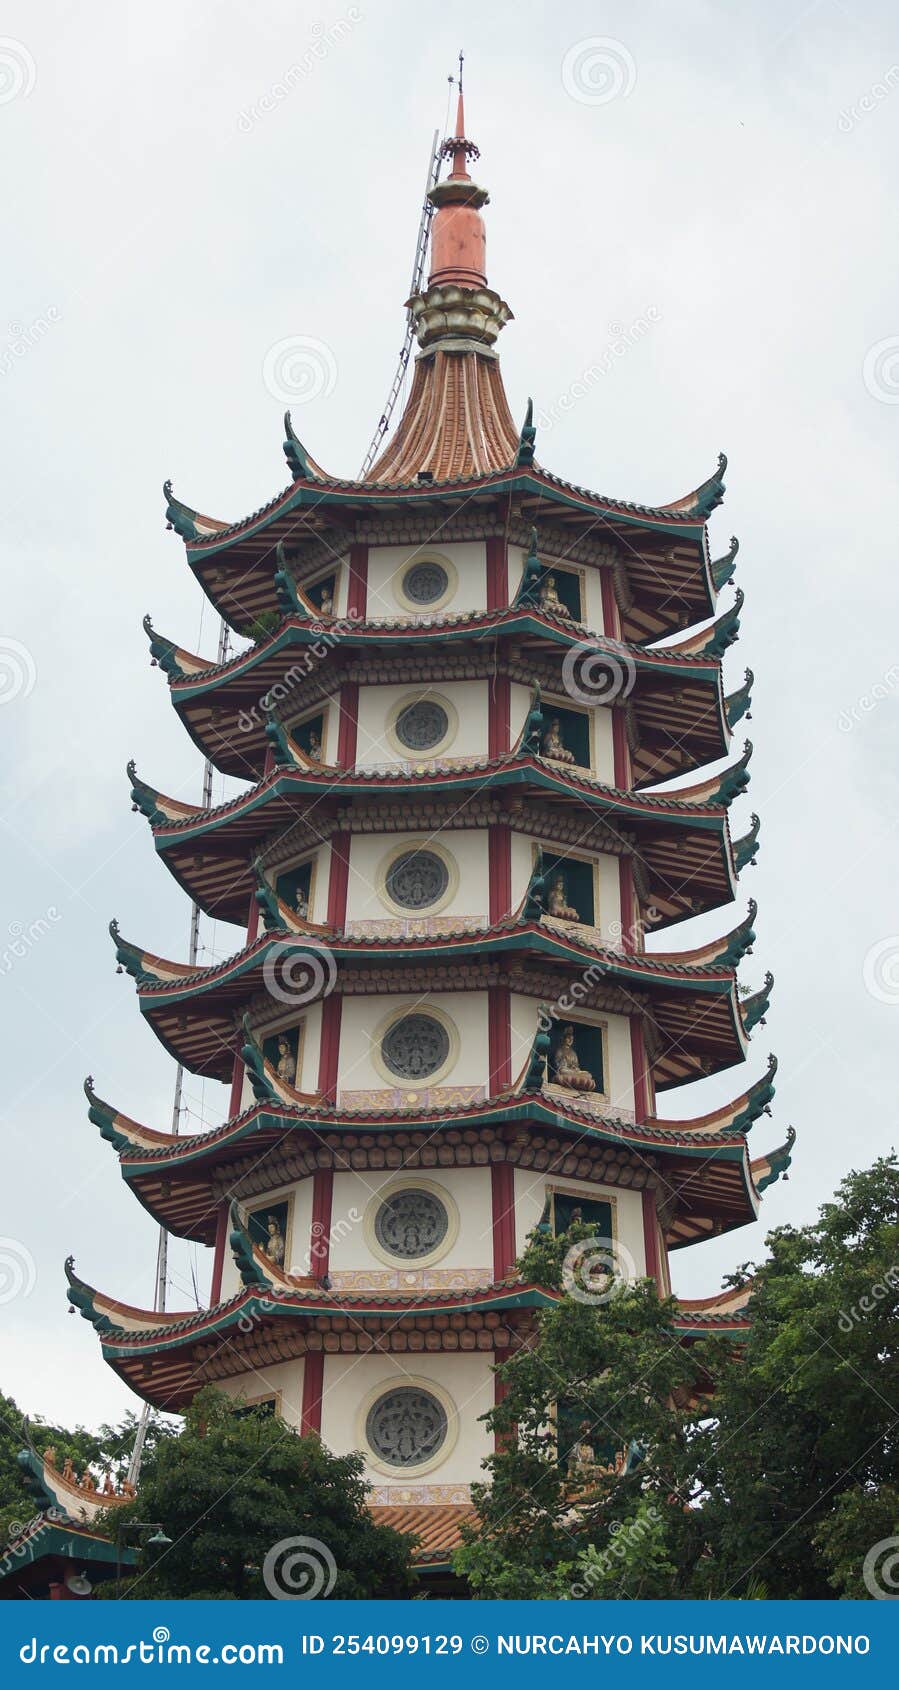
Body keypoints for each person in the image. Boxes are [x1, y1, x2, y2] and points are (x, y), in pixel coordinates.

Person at [553, 1026, 595, 1092]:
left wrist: (575, 1069)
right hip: (564, 1070)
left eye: (572, 1039)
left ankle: (575, 1076)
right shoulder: (560, 1050)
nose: (570, 1040)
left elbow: (576, 1065)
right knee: (563, 1072)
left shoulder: (573, 1053)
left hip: (573, 1072)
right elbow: (558, 1064)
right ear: (564, 1039)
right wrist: (563, 1065)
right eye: (568, 1038)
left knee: (588, 1075)